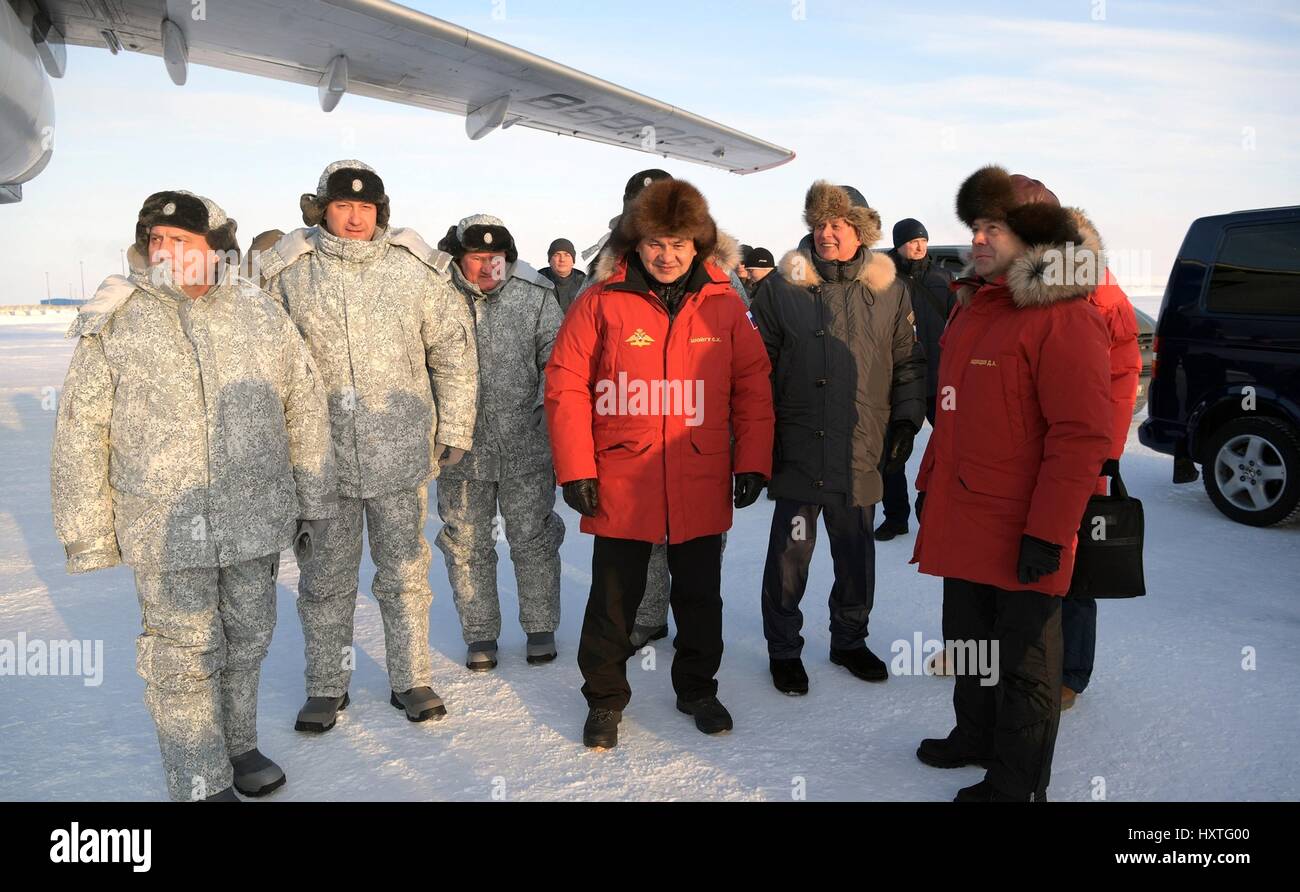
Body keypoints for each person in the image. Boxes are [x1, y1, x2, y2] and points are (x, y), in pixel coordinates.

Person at [51, 190, 336, 800]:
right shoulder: (118, 317)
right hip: (165, 524)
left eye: (180, 240)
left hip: (253, 515)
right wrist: (88, 531)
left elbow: (304, 406)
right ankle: (200, 778)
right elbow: (80, 428)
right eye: (155, 239)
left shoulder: (260, 312)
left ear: (217, 249)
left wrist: (312, 496)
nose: (164, 251)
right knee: (181, 651)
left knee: (249, 634)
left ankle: (236, 743)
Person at [546, 178, 774, 748]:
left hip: (698, 473)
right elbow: (566, 384)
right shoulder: (601, 299)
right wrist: (576, 468)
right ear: (635, 243)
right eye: (654, 243)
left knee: (699, 595)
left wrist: (751, 461)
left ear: (698, 243)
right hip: (623, 474)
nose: (666, 256)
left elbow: (751, 384)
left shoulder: (724, 302)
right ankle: (604, 699)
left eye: (678, 243)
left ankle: (697, 687)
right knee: (613, 596)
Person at [911, 165, 1114, 801]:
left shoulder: (1064, 318)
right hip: (963, 510)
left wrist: (1050, 532)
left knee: (1025, 660)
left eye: (991, 228)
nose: (977, 239)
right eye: (974, 227)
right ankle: (974, 735)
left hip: (1024, 523)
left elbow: (1079, 436)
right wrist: (929, 481)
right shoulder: (974, 307)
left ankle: (1018, 783)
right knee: (968, 642)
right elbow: (950, 413)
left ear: (1032, 237)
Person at [260, 160, 479, 732]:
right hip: (320, 460)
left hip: (399, 454)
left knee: (404, 573)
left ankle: (412, 679)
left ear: (381, 211)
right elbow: (265, 367)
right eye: (342, 206)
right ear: (322, 209)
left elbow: (452, 352)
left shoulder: (415, 270)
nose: (355, 218)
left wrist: (455, 426)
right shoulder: (288, 273)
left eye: (366, 207)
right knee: (325, 581)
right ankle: (326, 687)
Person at [749, 182, 926, 696]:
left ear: (860, 230)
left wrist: (906, 422)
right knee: (791, 554)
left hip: (861, 445)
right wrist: (757, 442)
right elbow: (756, 370)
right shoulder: (783, 287)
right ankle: (784, 650)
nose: (826, 234)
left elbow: (908, 363)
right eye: (820, 223)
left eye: (838, 225)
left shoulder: (890, 288)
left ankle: (849, 640)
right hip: (801, 447)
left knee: (855, 555)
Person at [435, 214, 566, 671]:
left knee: (532, 539)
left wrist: (544, 415)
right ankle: (480, 635)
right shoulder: (436, 296)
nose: (488, 268)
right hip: (460, 454)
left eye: (496, 259)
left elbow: (559, 361)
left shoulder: (536, 297)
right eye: (476, 258)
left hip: (526, 447)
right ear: (459, 259)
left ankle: (539, 627)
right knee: (467, 544)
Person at [1062, 253, 1142, 710]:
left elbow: (1123, 375)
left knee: (1075, 563)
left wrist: (1107, 454)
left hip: (1082, 451)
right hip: (1021, 453)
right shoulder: (1009, 280)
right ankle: (984, 654)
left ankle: (1071, 672)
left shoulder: (1104, 295)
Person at [876, 218, 956, 541]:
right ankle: (896, 517)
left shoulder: (944, 279)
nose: (919, 245)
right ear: (899, 244)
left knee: (952, 449)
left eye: (923, 239)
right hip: (901, 381)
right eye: (912, 241)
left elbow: (959, 326)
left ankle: (944, 511)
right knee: (893, 452)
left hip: (939, 379)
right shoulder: (885, 280)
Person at [538, 237, 587, 314]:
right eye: (557, 255)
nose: (562, 259)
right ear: (550, 259)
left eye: (567, 255)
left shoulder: (585, 284)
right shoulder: (537, 282)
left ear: (573, 260)